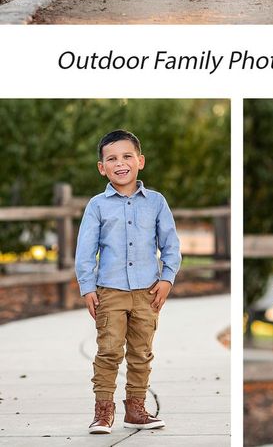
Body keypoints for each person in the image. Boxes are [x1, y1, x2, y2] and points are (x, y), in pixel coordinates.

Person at [75, 129, 181, 435]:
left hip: (147, 292)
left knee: (141, 352)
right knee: (108, 350)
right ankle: (103, 411)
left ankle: (136, 409)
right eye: (112, 158)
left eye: (127, 156)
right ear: (102, 167)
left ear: (140, 161)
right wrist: (87, 287)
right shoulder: (97, 206)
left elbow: (170, 245)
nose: (120, 163)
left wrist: (167, 279)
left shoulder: (156, 202)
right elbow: (86, 250)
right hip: (110, 291)